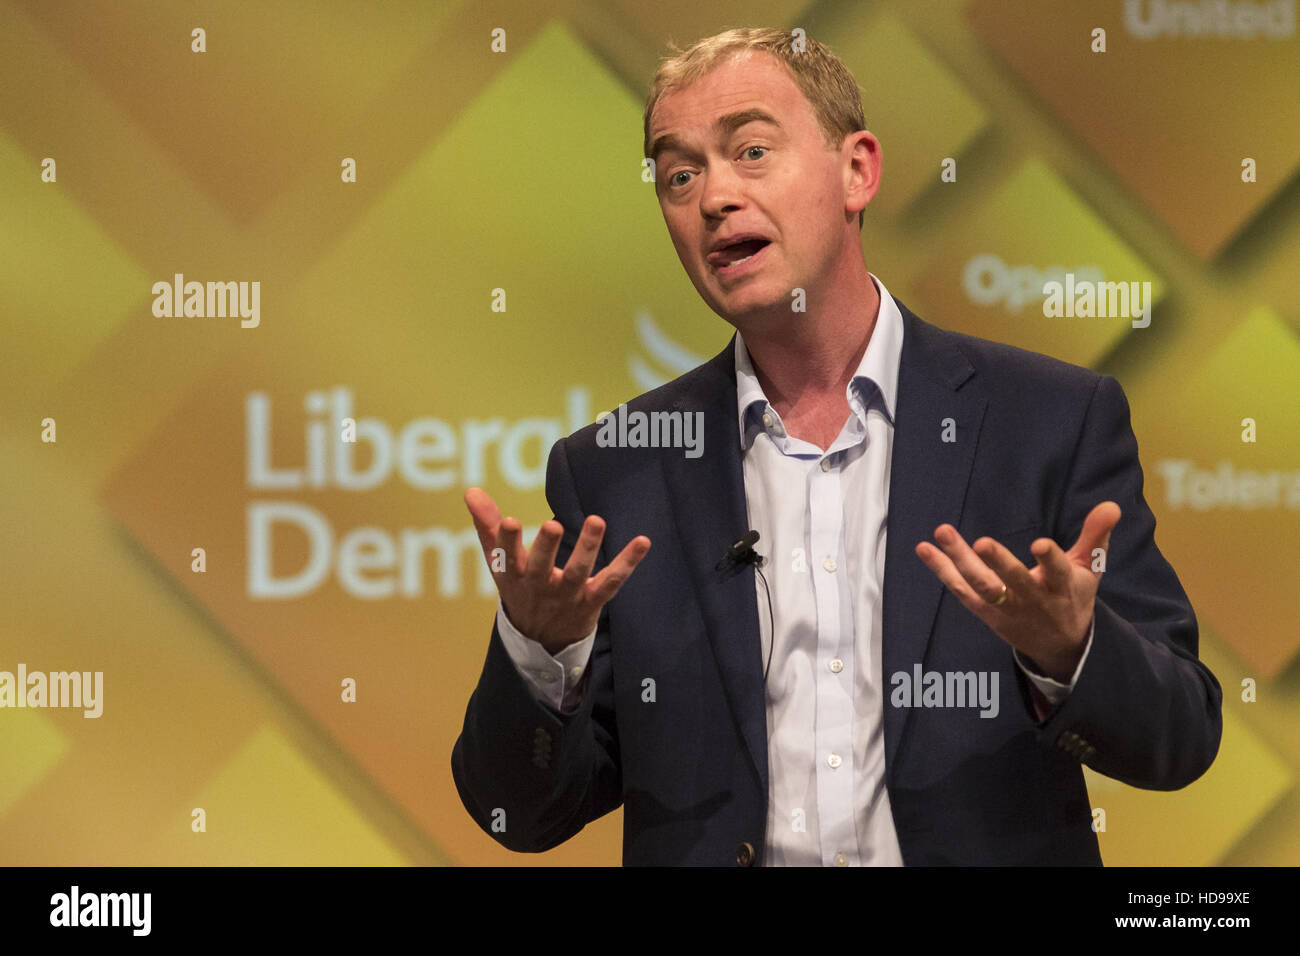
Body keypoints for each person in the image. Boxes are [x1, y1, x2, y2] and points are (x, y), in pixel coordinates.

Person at [450, 27, 1222, 866]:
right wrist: (539, 655)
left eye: (750, 151)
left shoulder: (1047, 421)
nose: (712, 197)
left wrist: (1070, 652)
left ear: (857, 170)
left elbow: (1180, 740)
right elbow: (518, 819)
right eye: (679, 173)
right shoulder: (617, 467)